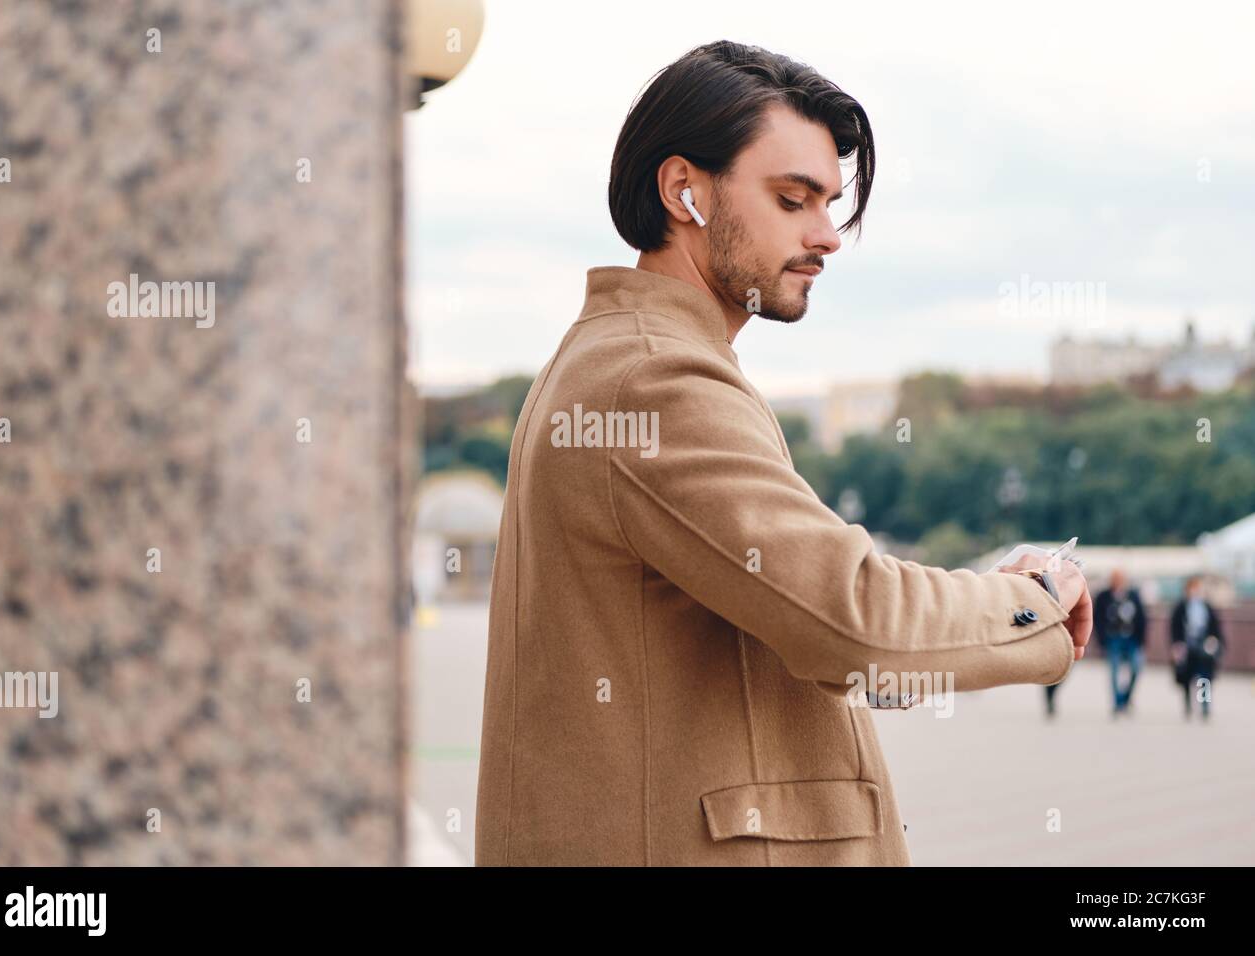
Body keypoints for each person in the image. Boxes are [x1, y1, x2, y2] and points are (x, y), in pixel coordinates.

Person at [475, 41, 1093, 867]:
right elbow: (852, 618)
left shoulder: (616, 358)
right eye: (793, 199)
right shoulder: (655, 379)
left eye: (830, 203)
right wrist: (1035, 604)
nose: (827, 236)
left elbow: (804, 629)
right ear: (683, 190)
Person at [1170, 576, 1226, 720]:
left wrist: (1214, 642)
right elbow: (1174, 628)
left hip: (1204, 647)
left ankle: (1204, 705)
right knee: (1186, 676)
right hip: (1187, 646)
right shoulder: (1181, 607)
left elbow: (1215, 627)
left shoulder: (1206, 606)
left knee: (1204, 677)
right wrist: (1176, 645)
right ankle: (1188, 704)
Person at [1092, 569, 1147, 716]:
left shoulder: (1133, 595)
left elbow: (1142, 617)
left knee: (1136, 668)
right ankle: (1117, 703)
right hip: (1113, 638)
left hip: (1132, 639)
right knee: (1114, 672)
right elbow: (1098, 619)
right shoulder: (1104, 596)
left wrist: (1142, 640)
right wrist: (1102, 640)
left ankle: (1126, 697)